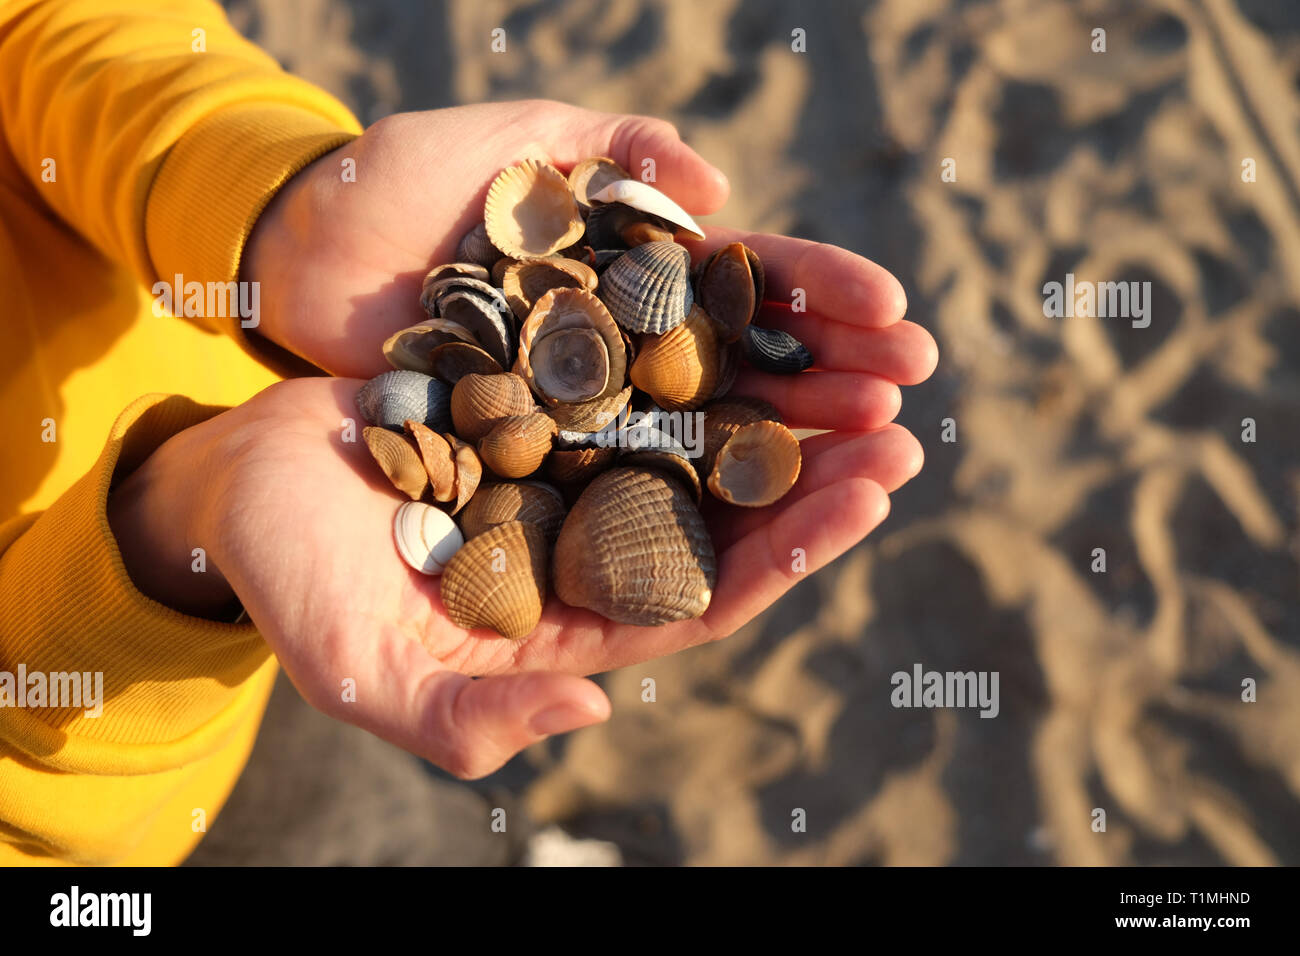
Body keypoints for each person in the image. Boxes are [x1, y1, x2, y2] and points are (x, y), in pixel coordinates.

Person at [0, 0, 937, 865]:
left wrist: (278, 216)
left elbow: (50, 22)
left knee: (363, 813)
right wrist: (174, 533)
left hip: (272, 557)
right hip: (79, 722)